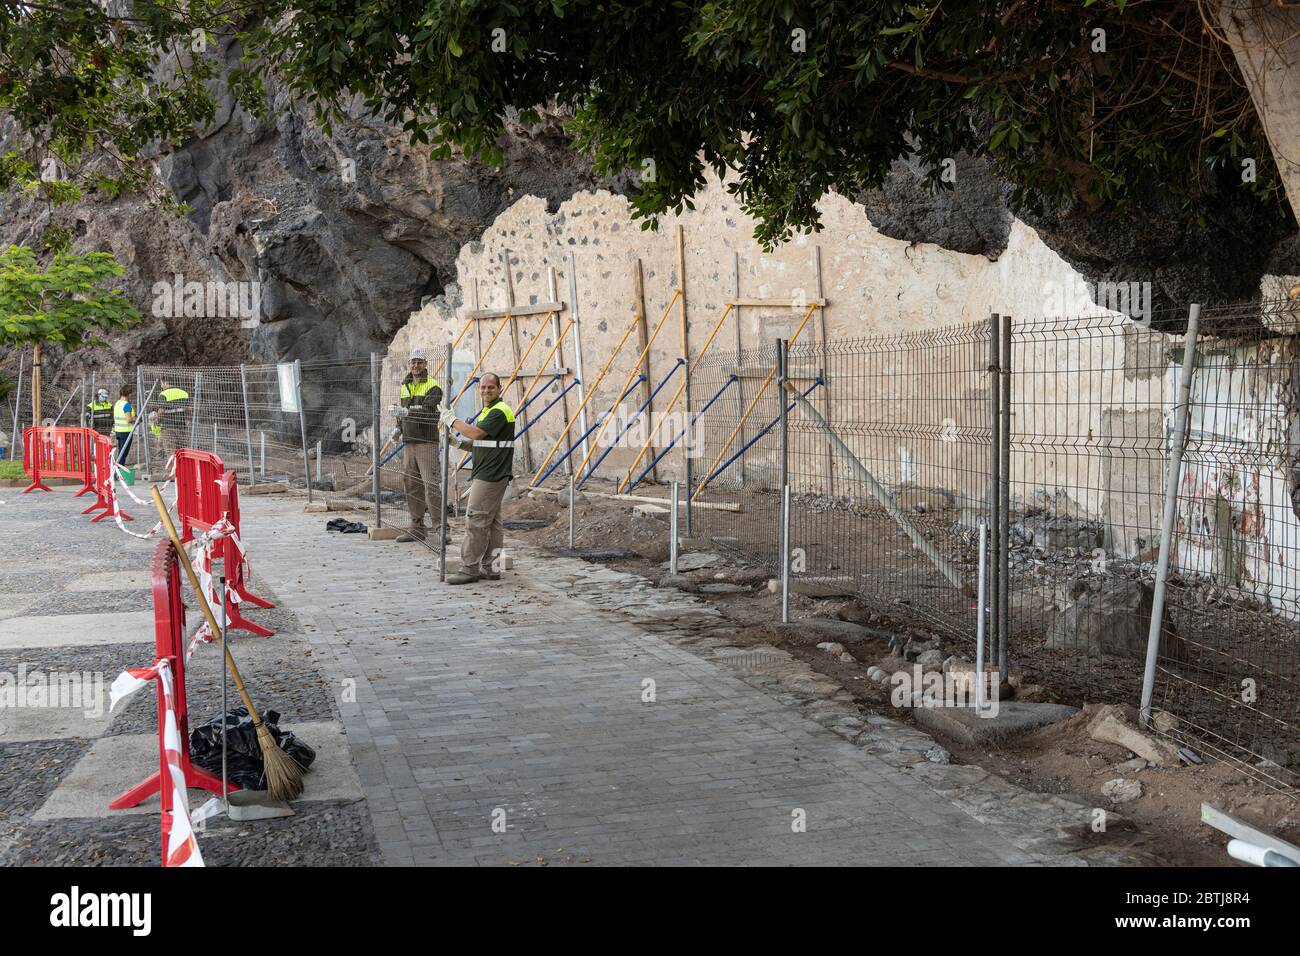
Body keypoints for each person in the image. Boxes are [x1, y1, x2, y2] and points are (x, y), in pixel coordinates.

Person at [441, 373, 515, 584]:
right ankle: (492, 568)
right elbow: (482, 444)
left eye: (491, 387)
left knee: (476, 519)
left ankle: (469, 569)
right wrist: (458, 444)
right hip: (491, 471)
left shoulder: (499, 411)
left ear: (499, 389)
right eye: (483, 387)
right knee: (492, 523)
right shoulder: (488, 411)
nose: (486, 391)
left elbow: (476, 434)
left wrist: (451, 420)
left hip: (490, 474)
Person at [394, 349, 444, 543]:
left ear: (425, 364)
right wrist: (398, 428)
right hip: (409, 441)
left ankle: (440, 528)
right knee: (411, 484)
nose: (415, 366)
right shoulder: (405, 386)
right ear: (409, 364)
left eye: (419, 362)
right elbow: (401, 412)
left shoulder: (433, 386)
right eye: (413, 362)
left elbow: (429, 411)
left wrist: (407, 412)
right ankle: (417, 527)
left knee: (431, 484)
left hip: (427, 441)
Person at [112, 385, 135, 464]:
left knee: (121, 452)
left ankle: (117, 470)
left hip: (118, 431)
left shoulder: (117, 403)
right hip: (126, 432)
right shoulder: (127, 405)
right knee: (123, 454)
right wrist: (137, 419)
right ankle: (119, 472)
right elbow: (129, 419)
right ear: (129, 394)